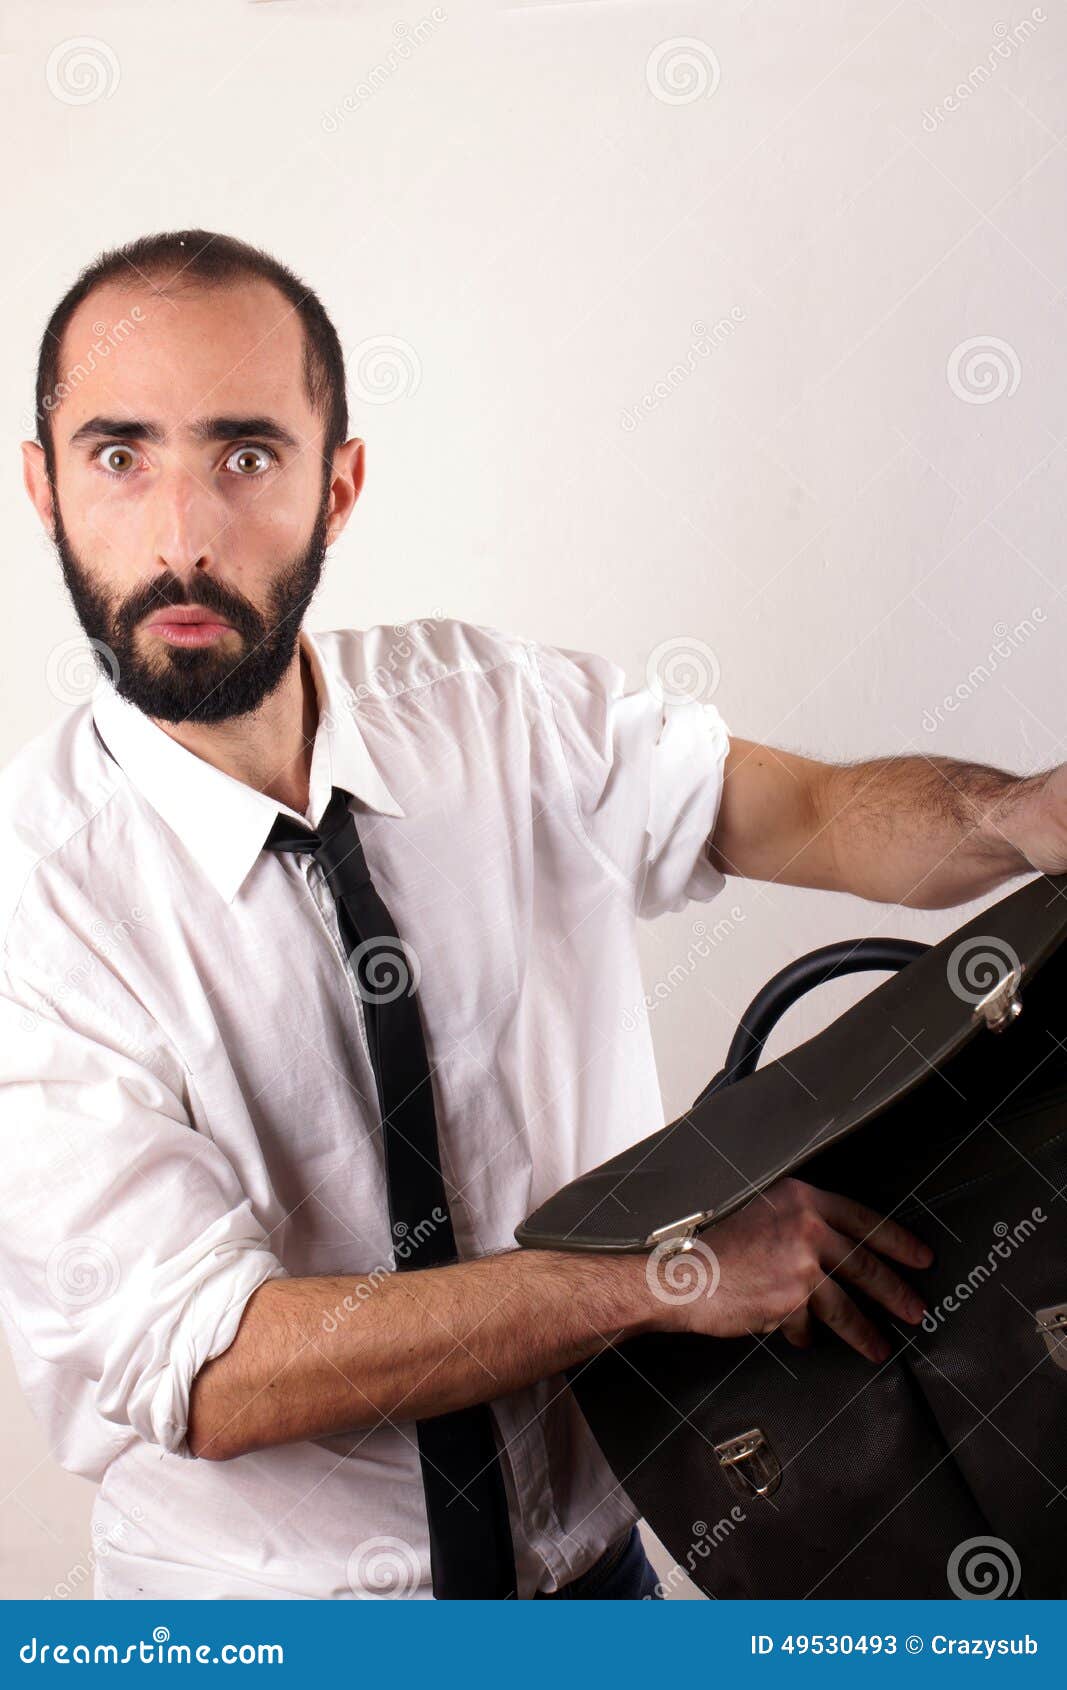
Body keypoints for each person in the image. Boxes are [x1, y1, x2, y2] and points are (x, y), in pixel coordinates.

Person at [2, 229, 1060, 1601]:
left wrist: (1013, 813)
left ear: (341, 485)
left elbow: (797, 813)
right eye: (119, 455)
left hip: (601, 1581)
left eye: (248, 456)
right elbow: (212, 1368)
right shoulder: (35, 896)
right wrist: (662, 1276)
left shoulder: (493, 709)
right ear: (43, 485)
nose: (182, 535)